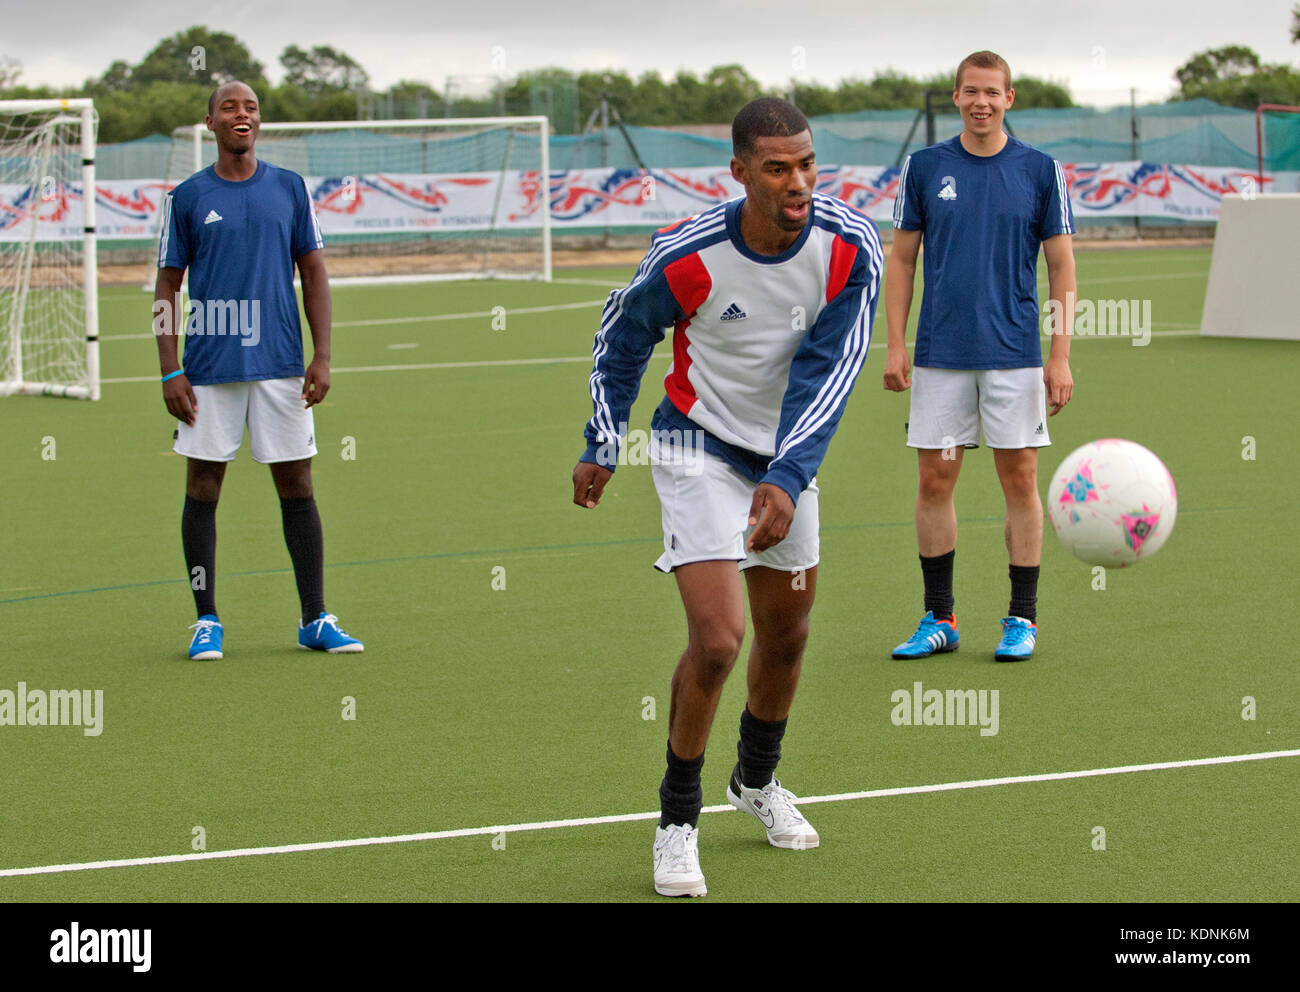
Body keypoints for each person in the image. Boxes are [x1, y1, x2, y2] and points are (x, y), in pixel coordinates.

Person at [571, 98, 882, 897]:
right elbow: (622, 334)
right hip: (693, 445)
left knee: (788, 636)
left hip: (785, 457)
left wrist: (786, 473)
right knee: (718, 641)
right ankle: (677, 821)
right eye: (777, 168)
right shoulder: (690, 254)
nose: (798, 181)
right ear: (739, 171)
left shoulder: (851, 247)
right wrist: (604, 442)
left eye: (807, 163)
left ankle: (756, 780)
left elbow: (831, 372)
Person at [155, 80, 363, 661]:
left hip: (280, 367)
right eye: (229, 107)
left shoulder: (290, 189)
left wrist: (321, 356)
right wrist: (170, 370)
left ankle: (315, 618)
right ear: (211, 123)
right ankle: (206, 621)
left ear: (258, 121)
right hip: (209, 369)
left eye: (249, 108)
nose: (240, 115)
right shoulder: (188, 197)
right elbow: (168, 283)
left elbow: (314, 273)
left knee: (298, 487)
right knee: (203, 488)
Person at [883, 50, 1076, 663]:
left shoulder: (1040, 171)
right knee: (935, 479)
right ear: (958, 96)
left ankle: (1023, 619)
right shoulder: (924, 167)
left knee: (1018, 480)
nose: (981, 103)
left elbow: (1062, 265)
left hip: (1015, 356)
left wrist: (1060, 354)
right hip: (941, 356)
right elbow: (903, 259)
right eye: (971, 92)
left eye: (992, 92)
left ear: (1009, 98)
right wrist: (895, 342)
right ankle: (939, 618)